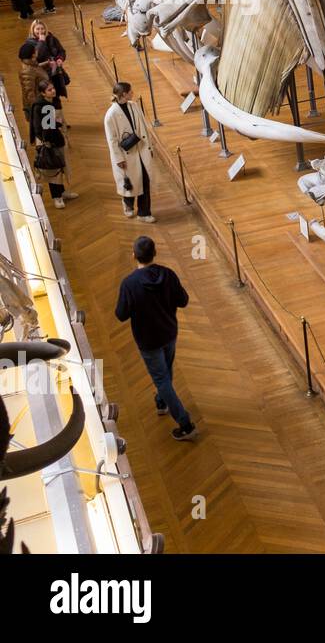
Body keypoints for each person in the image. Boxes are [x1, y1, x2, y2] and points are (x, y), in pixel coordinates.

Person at [114, 236, 196, 441]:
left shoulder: (129, 284)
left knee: (161, 378)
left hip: (148, 340)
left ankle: (185, 424)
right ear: (155, 253)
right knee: (166, 372)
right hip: (169, 332)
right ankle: (161, 402)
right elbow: (183, 300)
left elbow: (121, 314)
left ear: (134, 255)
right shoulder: (168, 274)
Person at [104, 81, 155, 222]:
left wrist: (149, 147)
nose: (133, 93)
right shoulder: (111, 115)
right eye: (130, 92)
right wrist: (118, 159)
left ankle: (144, 213)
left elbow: (144, 127)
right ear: (124, 94)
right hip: (126, 155)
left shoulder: (134, 106)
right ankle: (128, 204)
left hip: (141, 149)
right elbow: (112, 140)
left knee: (144, 180)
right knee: (130, 183)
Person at [29, 79, 77, 208]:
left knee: (59, 167)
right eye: (49, 90)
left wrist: (57, 124)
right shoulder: (43, 106)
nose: (53, 91)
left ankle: (62, 192)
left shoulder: (50, 102)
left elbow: (49, 124)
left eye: (53, 88)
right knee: (53, 169)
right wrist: (48, 142)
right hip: (51, 143)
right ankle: (57, 197)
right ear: (43, 93)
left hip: (55, 139)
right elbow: (41, 128)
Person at [26, 18, 68, 101]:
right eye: (37, 29)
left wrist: (60, 58)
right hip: (44, 74)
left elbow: (61, 51)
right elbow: (38, 57)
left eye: (42, 28)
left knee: (57, 93)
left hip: (56, 71)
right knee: (47, 96)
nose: (40, 31)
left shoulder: (52, 38)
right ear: (33, 30)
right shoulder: (29, 43)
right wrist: (41, 42)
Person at [17, 41, 49, 119]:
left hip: (44, 101)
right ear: (33, 54)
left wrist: (47, 63)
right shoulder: (27, 71)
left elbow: (36, 69)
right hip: (40, 107)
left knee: (50, 126)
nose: (37, 50)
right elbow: (29, 93)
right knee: (47, 128)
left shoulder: (31, 64)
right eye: (35, 50)